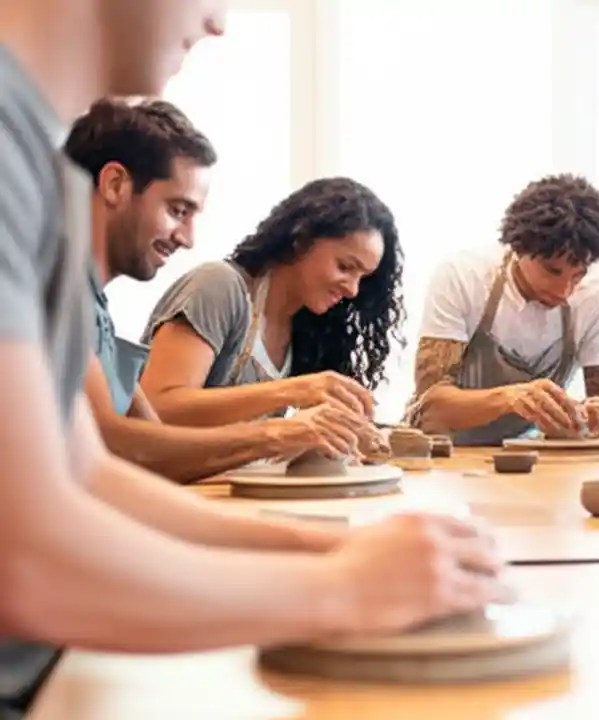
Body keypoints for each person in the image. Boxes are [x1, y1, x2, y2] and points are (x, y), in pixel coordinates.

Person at [0, 3, 504, 717]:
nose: (218, 21)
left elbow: (93, 475)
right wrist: (347, 588)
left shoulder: (40, 171)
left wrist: (326, 550)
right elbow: (26, 564)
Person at [64, 98, 368, 483]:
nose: (188, 239)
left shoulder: (93, 310)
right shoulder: (48, 291)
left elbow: (157, 450)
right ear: (115, 185)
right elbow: (118, 448)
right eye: (177, 210)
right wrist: (277, 431)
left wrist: (297, 439)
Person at [140, 176, 404, 426]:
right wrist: (291, 391)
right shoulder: (219, 287)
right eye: (345, 267)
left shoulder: (307, 328)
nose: (353, 290)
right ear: (301, 240)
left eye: (363, 278)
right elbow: (157, 408)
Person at [403, 174, 599, 445]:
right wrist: (509, 398)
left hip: (527, 454)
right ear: (518, 248)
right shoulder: (463, 276)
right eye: (551, 270)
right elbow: (430, 408)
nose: (564, 290)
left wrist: (595, 414)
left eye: (578, 275)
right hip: (443, 453)